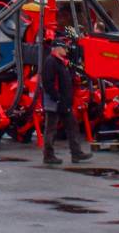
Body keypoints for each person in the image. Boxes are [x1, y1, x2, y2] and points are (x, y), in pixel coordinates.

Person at [39, 33, 92, 166]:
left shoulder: (61, 62)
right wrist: (57, 98)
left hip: (64, 101)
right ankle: (48, 155)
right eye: (64, 48)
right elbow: (48, 83)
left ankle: (76, 153)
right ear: (57, 48)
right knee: (51, 129)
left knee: (72, 126)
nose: (66, 50)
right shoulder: (51, 62)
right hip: (55, 102)